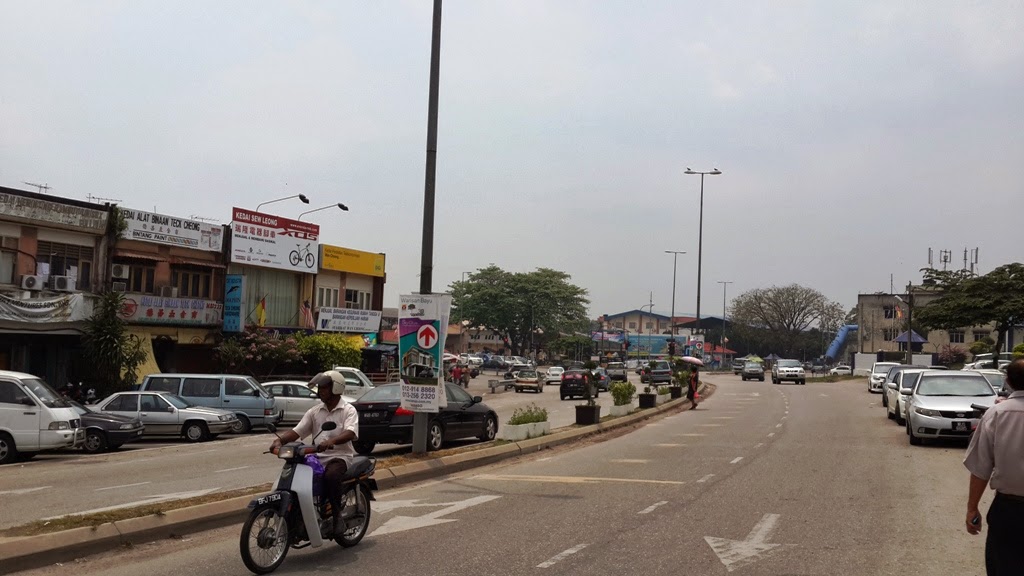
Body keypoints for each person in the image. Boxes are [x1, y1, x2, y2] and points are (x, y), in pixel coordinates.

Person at [269, 371, 359, 539]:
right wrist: (279, 441)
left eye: (325, 387)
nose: (320, 391)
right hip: (316, 457)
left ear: (336, 388)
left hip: (339, 456)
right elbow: (298, 431)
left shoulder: (348, 410)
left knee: (331, 476)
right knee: (296, 477)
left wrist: (331, 441)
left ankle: (337, 516)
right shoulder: (315, 411)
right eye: (320, 387)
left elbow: (350, 433)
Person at [964, 358, 1024, 575]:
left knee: (1004, 567)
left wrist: (972, 508)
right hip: (1008, 509)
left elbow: (981, 467)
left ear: (1008, 381)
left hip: (1009, 510)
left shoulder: (996, 414)